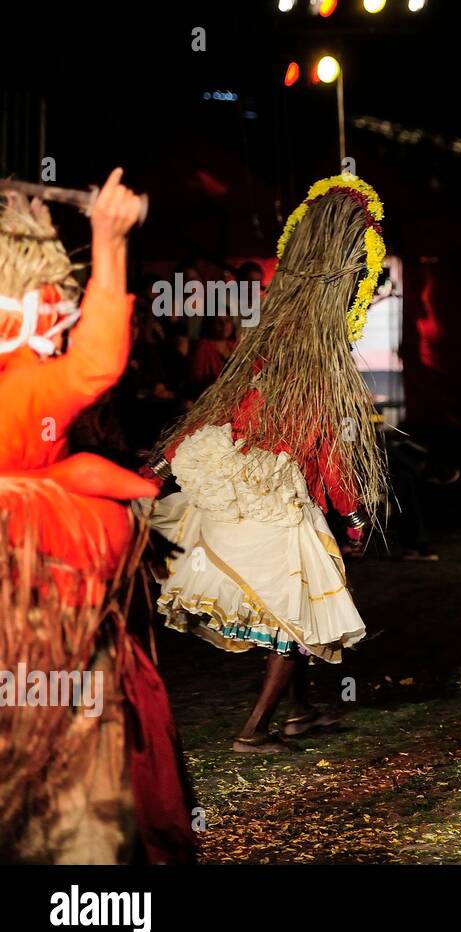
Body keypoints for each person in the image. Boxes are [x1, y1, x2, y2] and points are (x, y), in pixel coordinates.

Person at [144, 174, 389, 752]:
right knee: (291, 623)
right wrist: (354, 521)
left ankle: (301, 713)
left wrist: (158, 469)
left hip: (245, 495)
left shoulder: (262, 366)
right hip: (269, 509)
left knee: (293, 612)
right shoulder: (316, 381)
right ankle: (253, 731)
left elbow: (207, 422)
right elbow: (332, 461)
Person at [0, 170, 194, 863]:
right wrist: (109, 243)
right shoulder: (21, 395)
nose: (58, 328)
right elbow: (94, 364)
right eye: (52, 310)